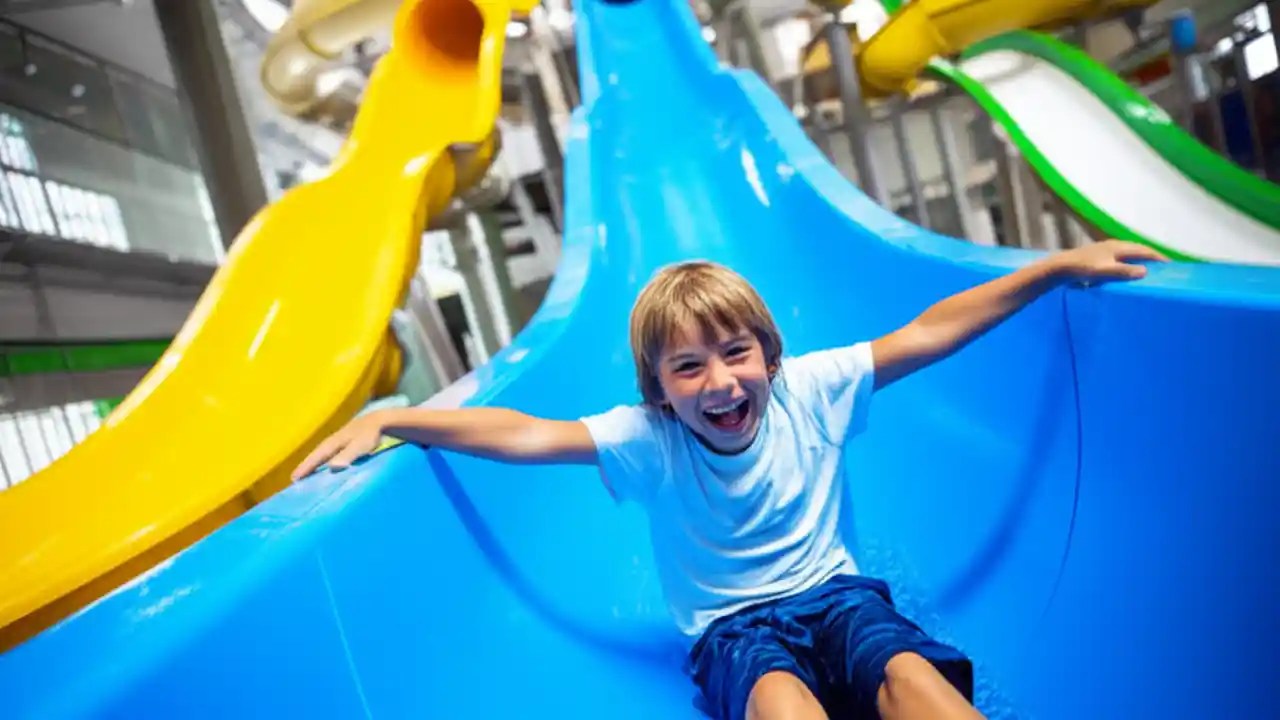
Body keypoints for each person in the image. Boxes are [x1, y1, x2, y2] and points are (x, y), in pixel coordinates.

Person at [293, 240, 1165, 720]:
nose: (719, 384)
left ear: (770, 354)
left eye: (736, 353)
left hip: (839, 595)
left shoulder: (814, 388)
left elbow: (930, 331)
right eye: (686, 368)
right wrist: (394, 417)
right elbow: (523, 434)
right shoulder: (648, 440)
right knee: (784, 711)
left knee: (916, 684)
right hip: (732, 628)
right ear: (657, 390)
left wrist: (1051, 270)